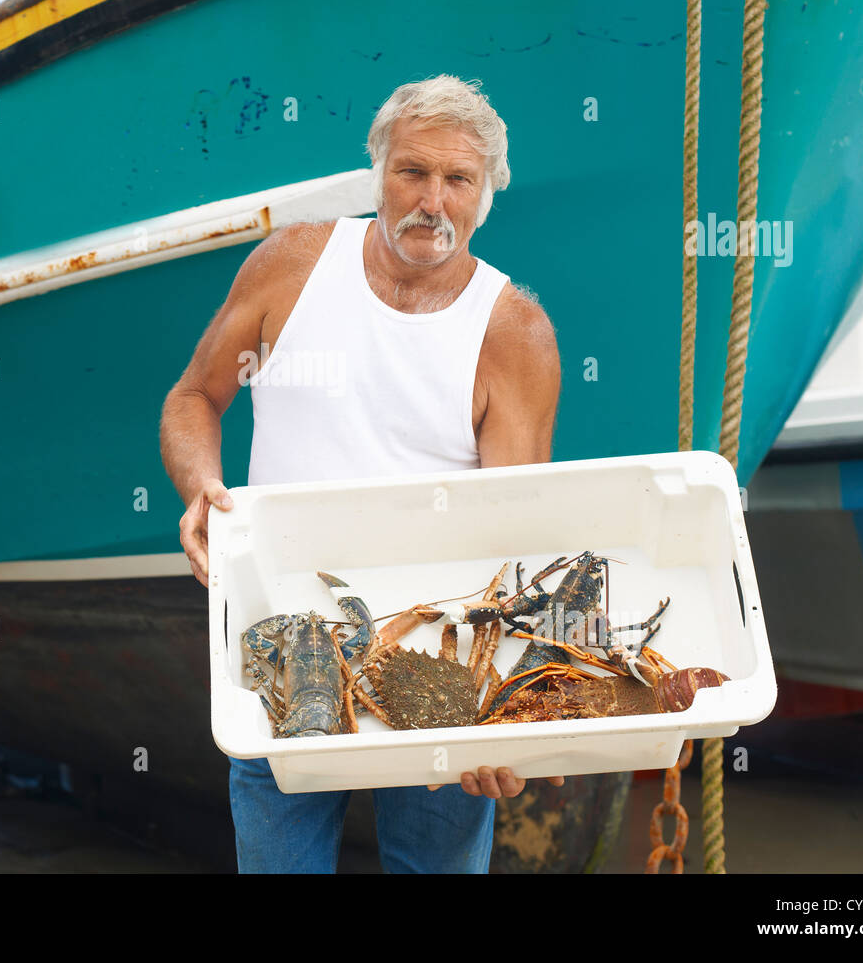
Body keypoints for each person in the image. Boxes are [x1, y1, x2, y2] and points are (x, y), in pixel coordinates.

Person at [160, 75, 563, 873]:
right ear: (377, 172)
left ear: (486, 198)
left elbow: (516, 541)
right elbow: (194, 396)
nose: (433, 200)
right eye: (413, 171)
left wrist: (503, 719)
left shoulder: (514, 331)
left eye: (459, 180)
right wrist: (201, 485)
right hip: (287, 638)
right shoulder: (293, 264)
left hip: (445, 668)